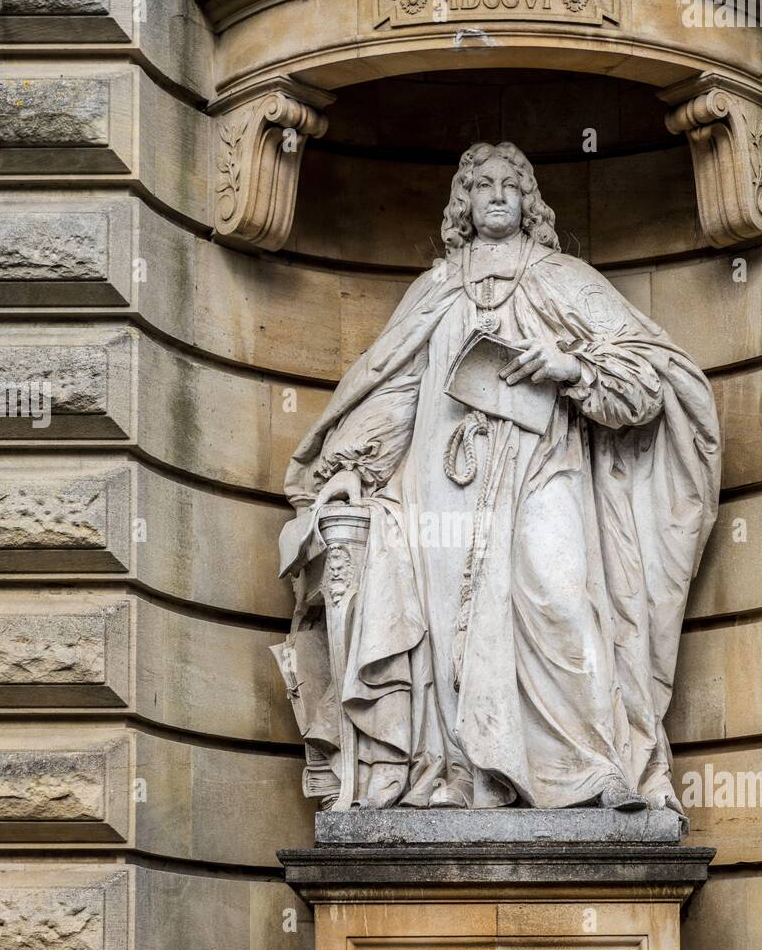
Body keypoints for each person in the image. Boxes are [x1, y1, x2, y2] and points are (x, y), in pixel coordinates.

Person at [281, 141, 720, 814]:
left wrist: (568, 366)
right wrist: (348, 471)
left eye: (509, 185)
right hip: (440, 482)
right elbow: (395, 390)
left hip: (543, 468)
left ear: (529, 202)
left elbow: (646, 388)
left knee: (561, 598)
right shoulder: (435, 287)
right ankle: (462, 776)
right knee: (446, 623)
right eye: (479, 184)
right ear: (461, 202)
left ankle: (592, 771)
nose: (493, 195)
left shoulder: (565, 280)